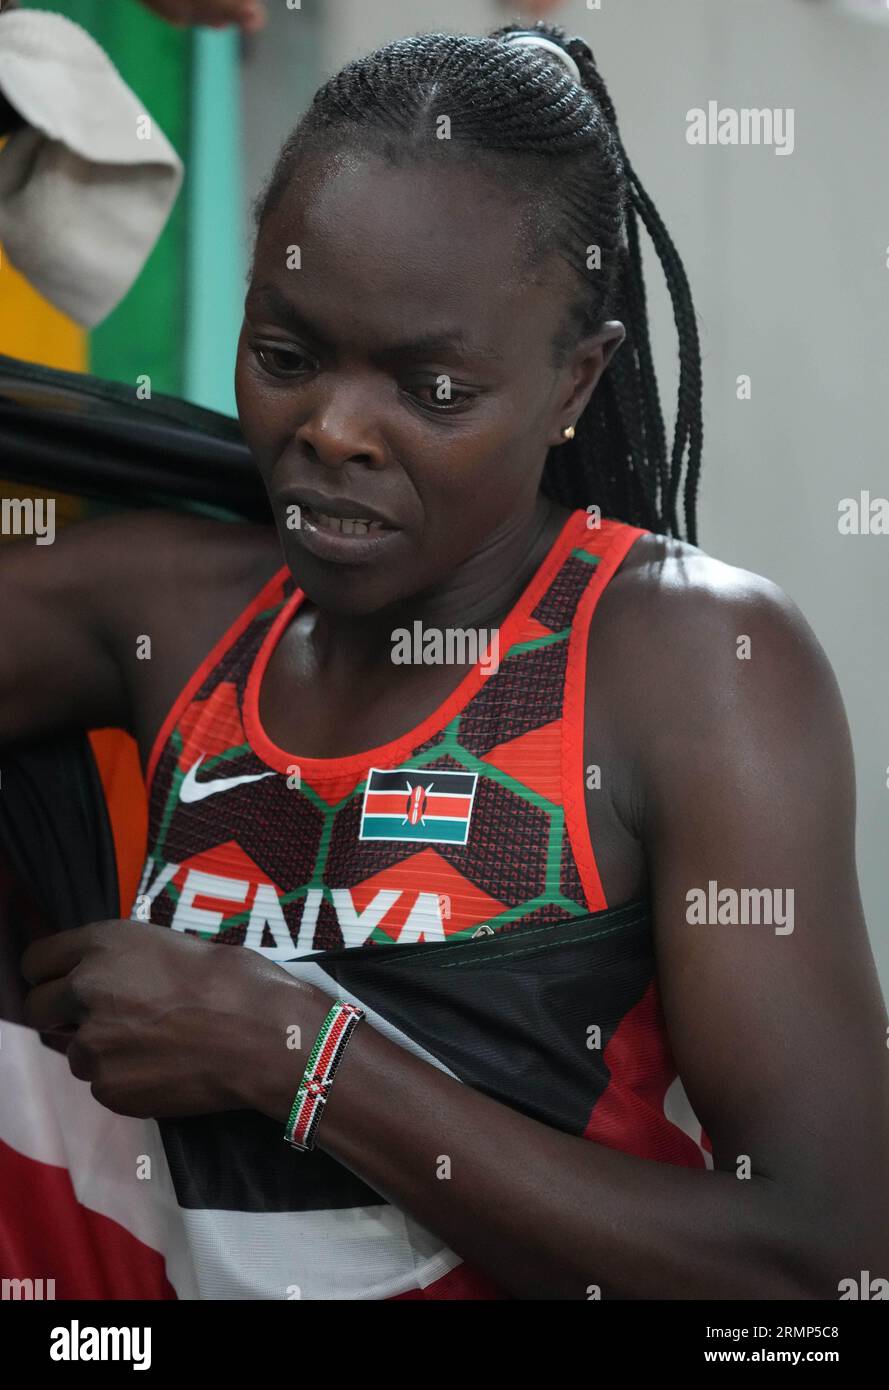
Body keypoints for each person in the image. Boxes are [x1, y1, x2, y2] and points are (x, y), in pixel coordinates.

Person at [3, 21, 887, 1300]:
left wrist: (292, 1054)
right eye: (285, 357)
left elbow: (822, 1262)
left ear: (575, 380)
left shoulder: (687, 665)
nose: (334, 431)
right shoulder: (171, 607)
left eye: (431, 388)